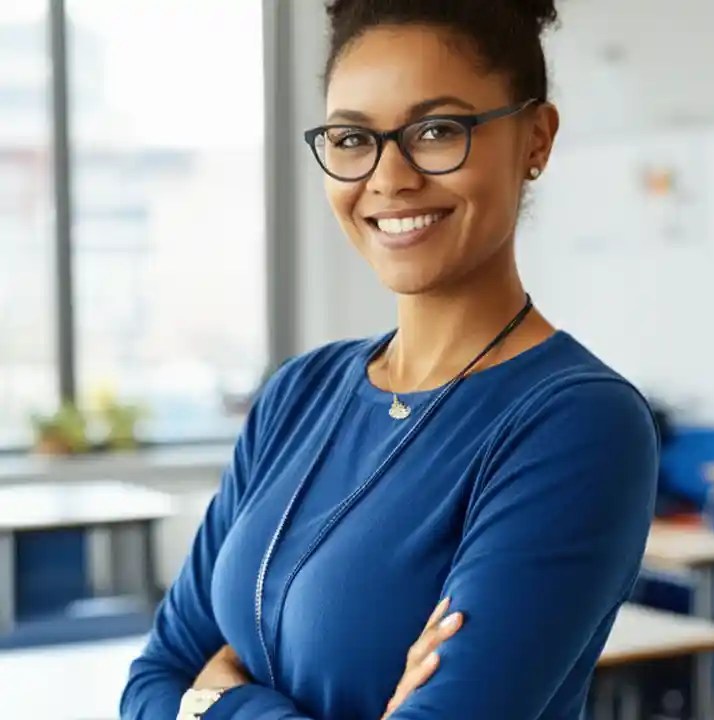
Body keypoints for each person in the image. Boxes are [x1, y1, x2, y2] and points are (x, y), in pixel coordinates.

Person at [119, 0, 659, 717]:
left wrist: (216, 701)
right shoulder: (298, 394)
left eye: (437, 131)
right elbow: (150, 680)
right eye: (351, 139)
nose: (389, 177)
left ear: (536, 137)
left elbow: (176, 694)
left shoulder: (578, 424)